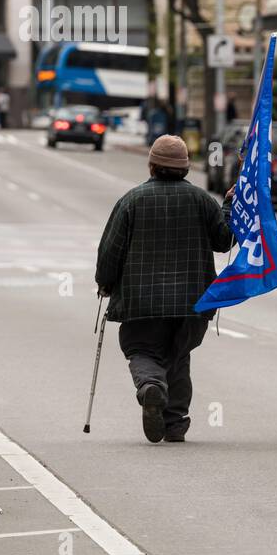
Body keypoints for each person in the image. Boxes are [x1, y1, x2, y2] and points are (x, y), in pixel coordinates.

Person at [94, 135, 234, 443]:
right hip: (192, 303)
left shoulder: (132, 201)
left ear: (152, 165)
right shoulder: (200, 200)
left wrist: (104, 283)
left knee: (142, 350)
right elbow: (224, 241)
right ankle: (174, 423)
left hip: (141, 302)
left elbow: (111, 251)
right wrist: (229, 206)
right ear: (185, 167)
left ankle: (150, 386)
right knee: (178, 355)